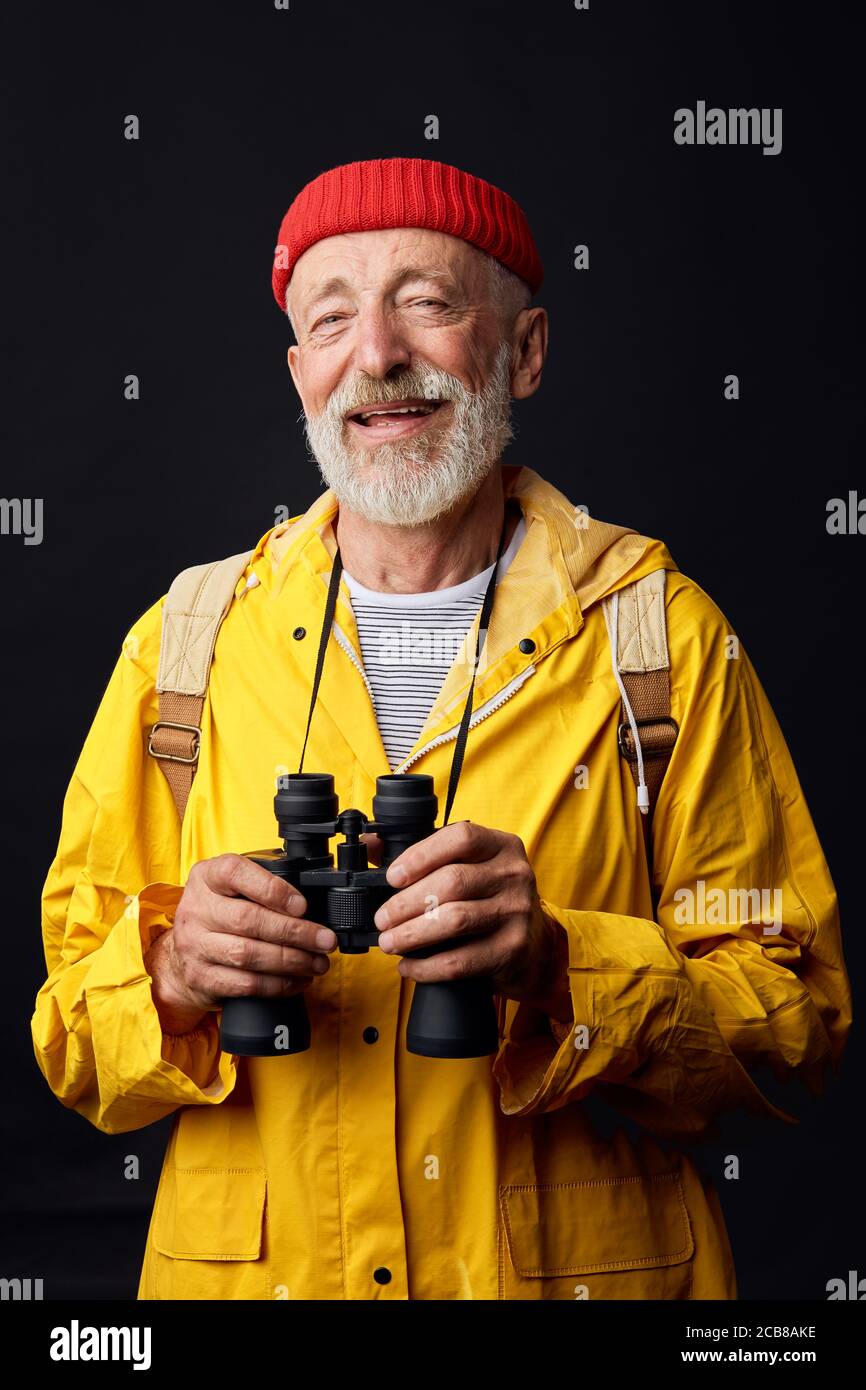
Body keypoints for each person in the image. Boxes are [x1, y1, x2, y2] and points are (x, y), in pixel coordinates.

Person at [32, 157, 851, 1300]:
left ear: (521, 350)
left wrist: (562, 968)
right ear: (300, 375)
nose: (376, 354)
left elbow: (796, 1024)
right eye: (331, 319)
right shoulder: (187, 646)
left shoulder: (655, 638)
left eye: (425, 301)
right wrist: (171, 972)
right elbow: (69, 1038)